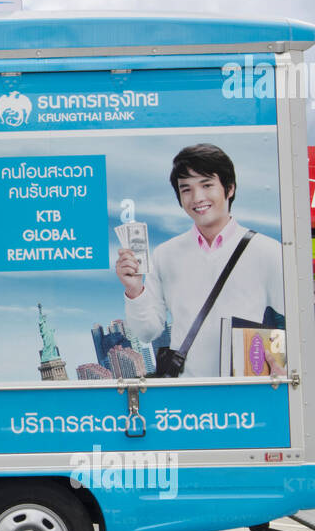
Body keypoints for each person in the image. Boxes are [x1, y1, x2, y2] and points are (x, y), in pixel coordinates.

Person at [115, 144, 284, 377]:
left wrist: (284, 365)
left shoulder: (268, 251)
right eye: (186, 189)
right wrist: (134, 290)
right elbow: (147, 333)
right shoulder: (166, 254)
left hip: (248, 394)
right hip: (188, 397)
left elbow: (291, 323)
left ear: (230, 188)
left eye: (206, 185)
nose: (197, 198)